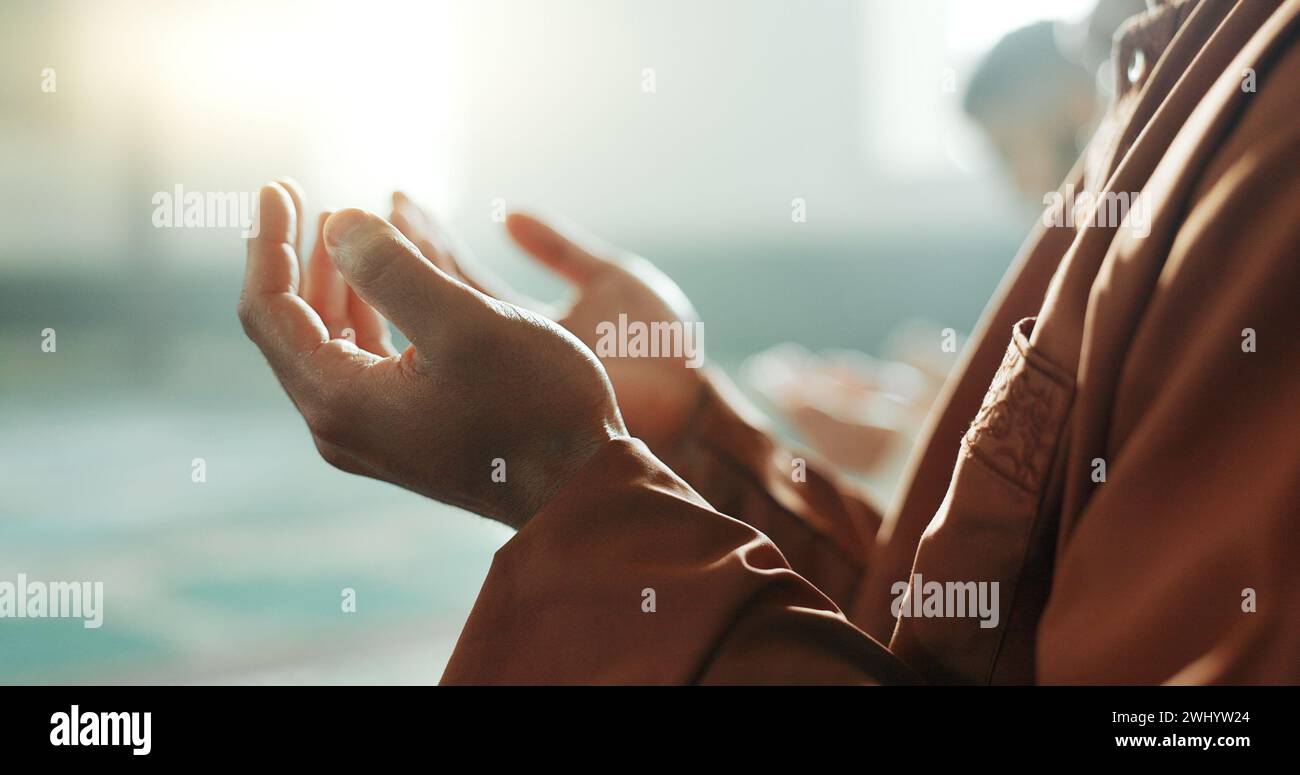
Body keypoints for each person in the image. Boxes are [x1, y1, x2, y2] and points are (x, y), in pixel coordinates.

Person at [238, 0, 1300, 684]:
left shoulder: (1271, 133)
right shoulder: (1194, 61)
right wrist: (694, 448)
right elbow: (968, 645)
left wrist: (572, 487)